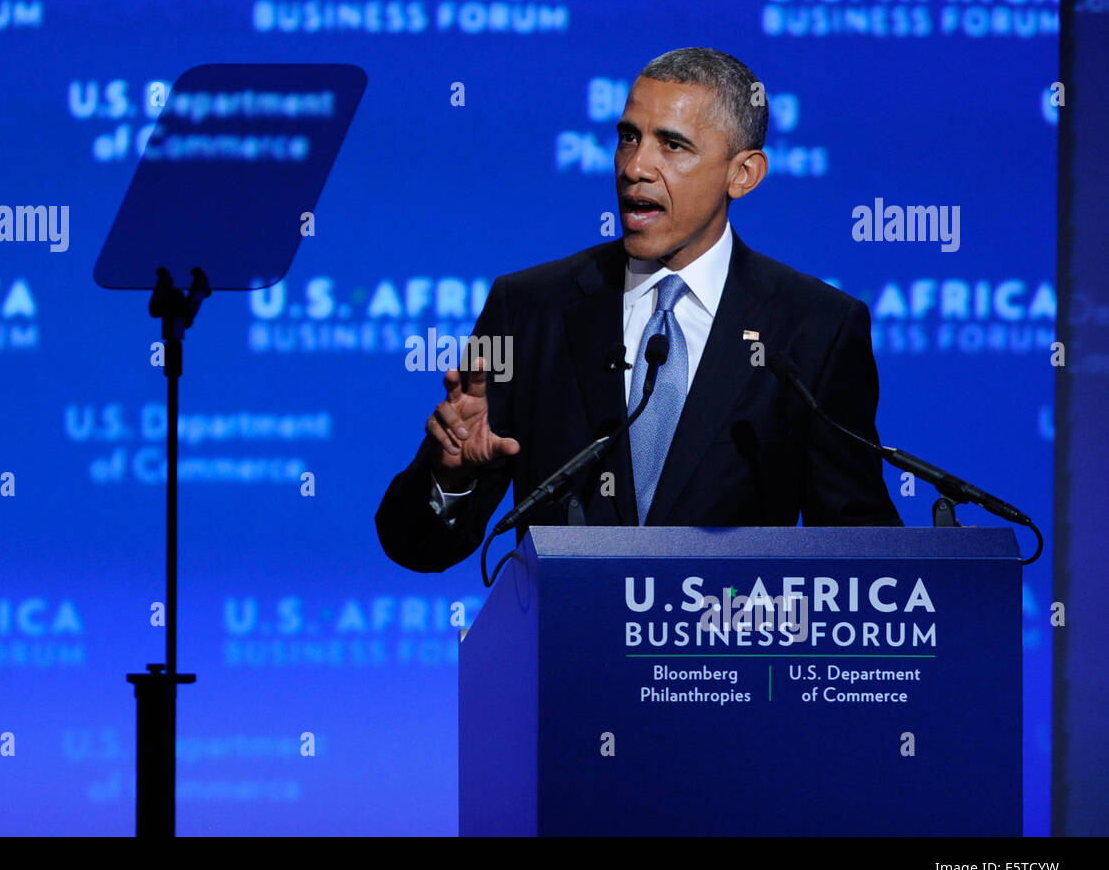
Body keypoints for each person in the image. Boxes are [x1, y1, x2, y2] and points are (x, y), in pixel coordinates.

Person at [376, 47, 902, 574]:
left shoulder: (815, 327)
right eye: (629, 137)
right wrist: (451, 475)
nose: (635, 167)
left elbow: (860, 546)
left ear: (743, 174)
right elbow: (418, 547)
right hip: (569, 648)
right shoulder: (529, 306)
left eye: (672, 145)